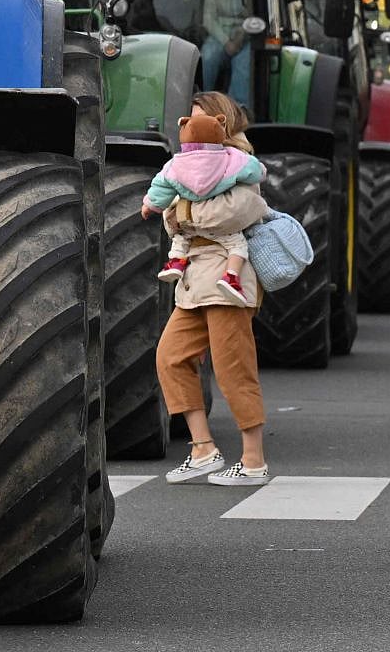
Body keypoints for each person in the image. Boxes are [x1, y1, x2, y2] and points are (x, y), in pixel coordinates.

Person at [155, 90, 270, 488]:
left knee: (233, 368)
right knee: (170, 357)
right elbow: (171, 220)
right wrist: (182, 216)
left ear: (221, 122)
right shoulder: (187, 166)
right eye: (189, 118)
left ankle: (253, 461)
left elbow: (233, 213)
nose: (191, 126)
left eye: (199, 117)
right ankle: (203, 448)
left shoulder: (240, 162)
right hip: (192, 282)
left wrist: (182, 211)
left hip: (227, 280)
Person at [141, 107, 266, 306]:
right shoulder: (233, 160)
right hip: (193, 291)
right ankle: (232, 276)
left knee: (181, 237)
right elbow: (256, 171)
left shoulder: (175, 164)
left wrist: (154, 206)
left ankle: (175, 260)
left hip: (218, 297)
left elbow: (163, 195)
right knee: (237, 245)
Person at [200, 0, 251, 104]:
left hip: (247, 37)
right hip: (220, 34)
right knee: (207, 56)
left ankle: (237, 108)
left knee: (244, 64)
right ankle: (202, 101)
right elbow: (208, 19)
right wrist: (227, 42)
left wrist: (242, 34)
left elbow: (261, 18)